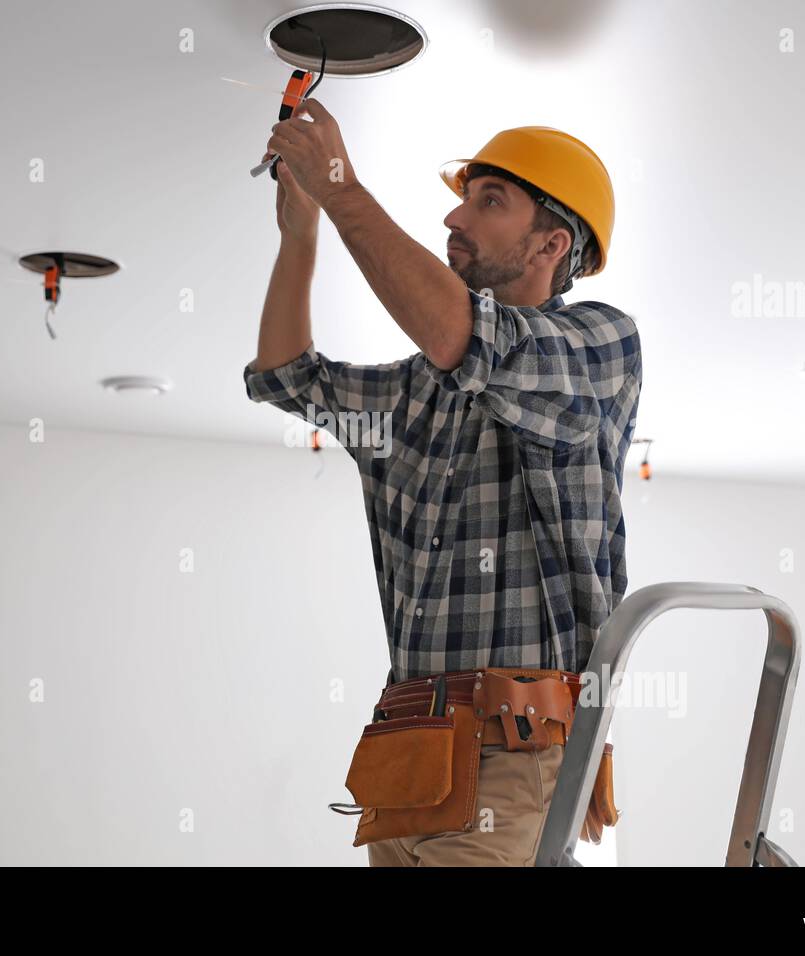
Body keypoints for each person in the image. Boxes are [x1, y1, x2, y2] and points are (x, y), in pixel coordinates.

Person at [244, 105, 640, 866]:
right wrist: (301, 235)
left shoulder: (600, 346)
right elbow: (287, 376)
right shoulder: (418, 393)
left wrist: (341, 186)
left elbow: (466, 337)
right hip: (408, 755)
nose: (455, 215)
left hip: (514, 755)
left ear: (552, 245)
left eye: (490, 200)